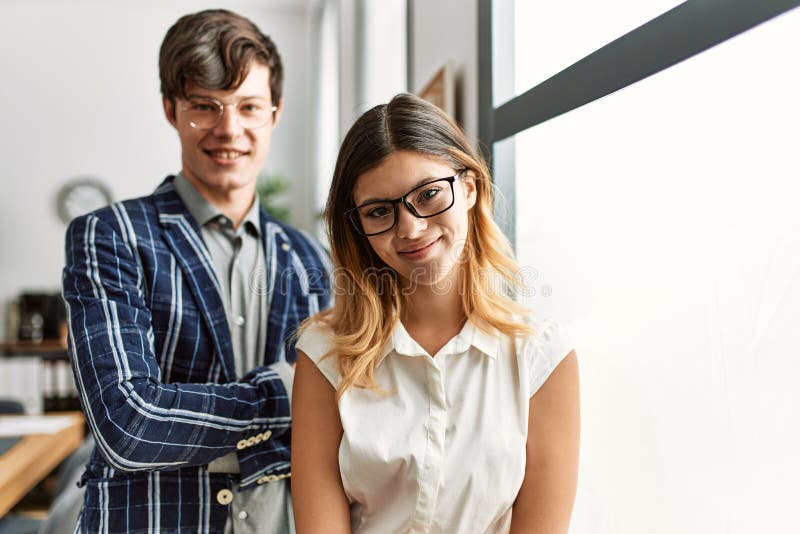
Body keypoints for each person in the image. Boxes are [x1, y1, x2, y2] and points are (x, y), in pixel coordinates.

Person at [62, 9, 330, 533]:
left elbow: (334, 426)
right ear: (170, 109)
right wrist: (289, 393)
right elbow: (129, 423)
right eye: (205, 107)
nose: (229, 129)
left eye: (248, 107)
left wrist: (189, 416)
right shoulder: (111, 236)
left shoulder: (308, 257)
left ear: (273, 113)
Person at [291, 93, 580, 533]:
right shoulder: (325, 356)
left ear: (468, 187)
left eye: (427, 195)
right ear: (358, 226)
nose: (410, 227)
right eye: (379, 212)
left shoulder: (542, 358)